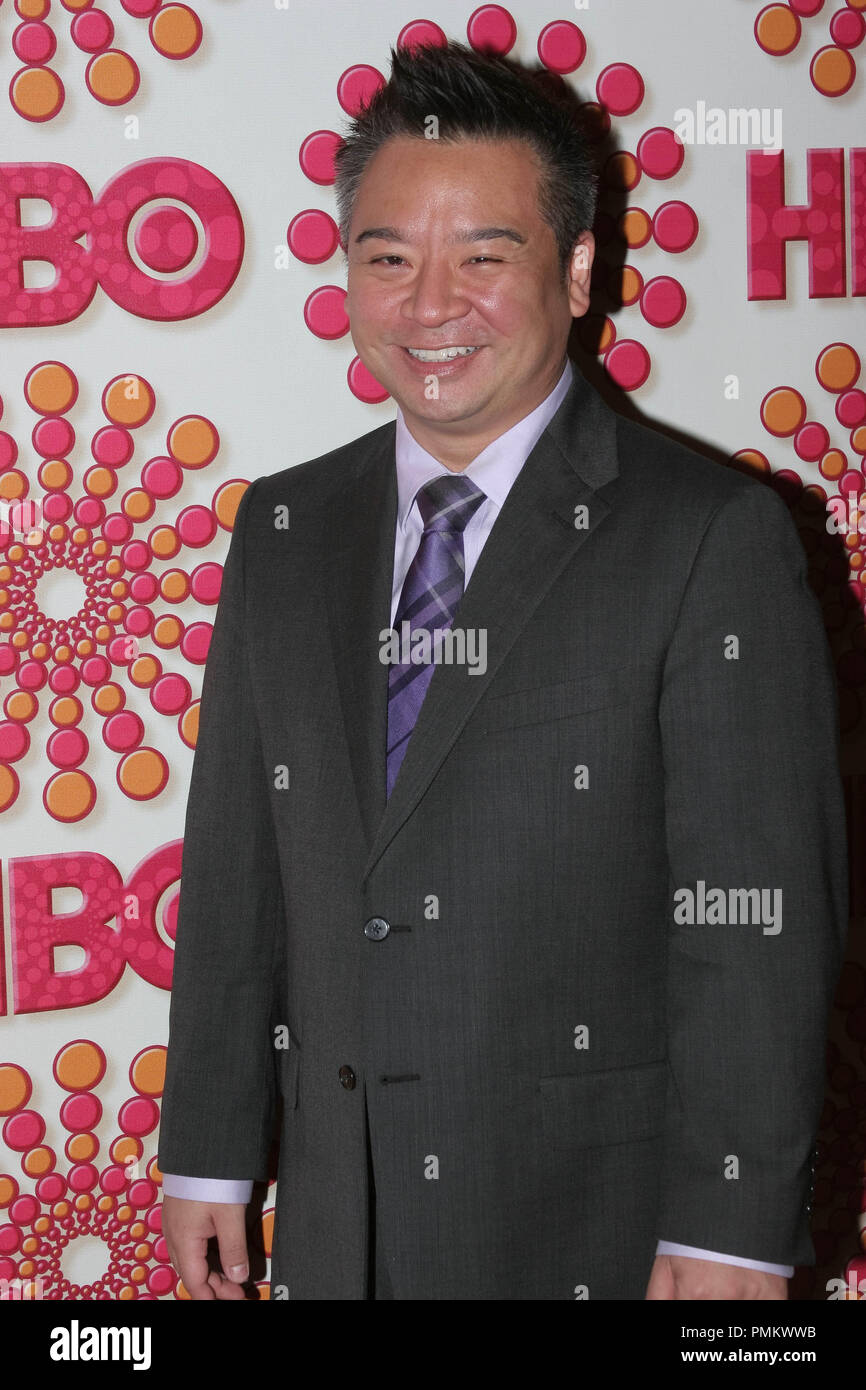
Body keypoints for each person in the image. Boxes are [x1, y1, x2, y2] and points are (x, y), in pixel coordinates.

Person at [157, 40, 848, 1301]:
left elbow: (753, 923)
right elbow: (238, 864)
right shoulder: (283, 529)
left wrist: (731, 1227)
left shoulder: (707, 537)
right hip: (340, 1223)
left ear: (576, 269)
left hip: (595, 1224)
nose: (430, 304)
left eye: (483, 255)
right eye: (388, 258)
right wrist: (206, 1148)